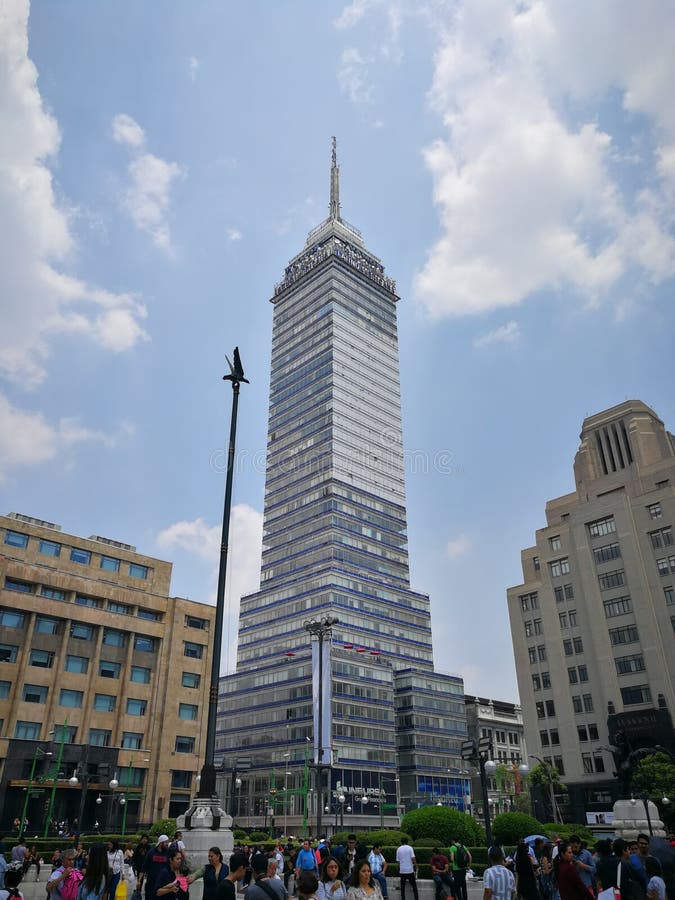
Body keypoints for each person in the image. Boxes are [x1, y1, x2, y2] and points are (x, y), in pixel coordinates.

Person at [139, 834, 171, 900]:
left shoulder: (168, 853)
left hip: (163, 884)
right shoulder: (151, 852)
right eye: (166, 842)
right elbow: (144, 867)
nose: (167, 844)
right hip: (151, 883)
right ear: (161, 843)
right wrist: (139, 881)